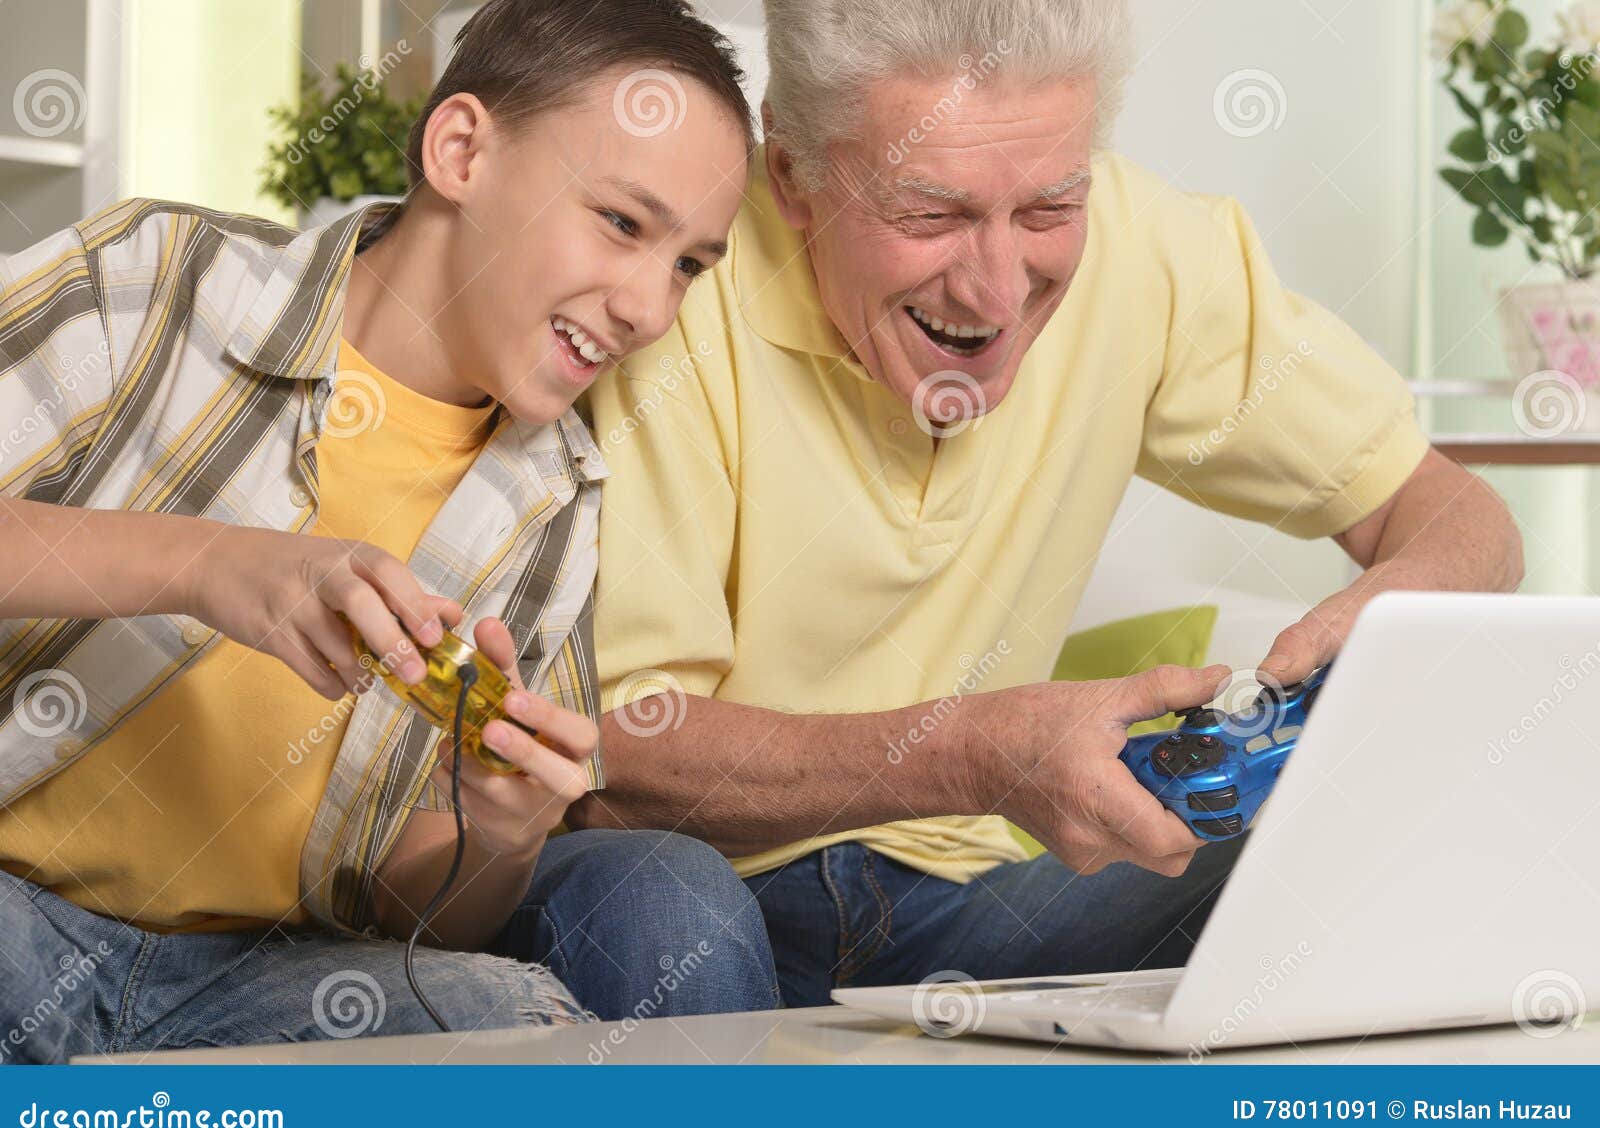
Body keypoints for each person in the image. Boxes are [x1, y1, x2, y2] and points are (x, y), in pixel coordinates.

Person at [575, 0, 1524, 1008]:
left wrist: (1388, 620)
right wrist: (972, 756)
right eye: (928, 214)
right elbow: (609, 759)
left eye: (1047, 210)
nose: (991, 293)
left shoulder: (1150, 249)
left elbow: (1458, 517)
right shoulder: (669, 280)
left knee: (1371, 857)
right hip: (698, 879)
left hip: (968, 901)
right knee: (665, 899)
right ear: (794, 175)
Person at [0, 0, 763, 1064]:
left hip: (255, 982)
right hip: (15, 917)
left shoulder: (556, 504)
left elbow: (421, 923)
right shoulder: (165, 281)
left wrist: (497, 836)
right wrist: (207, 561)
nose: (648, 305)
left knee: (521, 1030)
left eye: (688, 264)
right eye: (624, 224)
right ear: (460, 150)